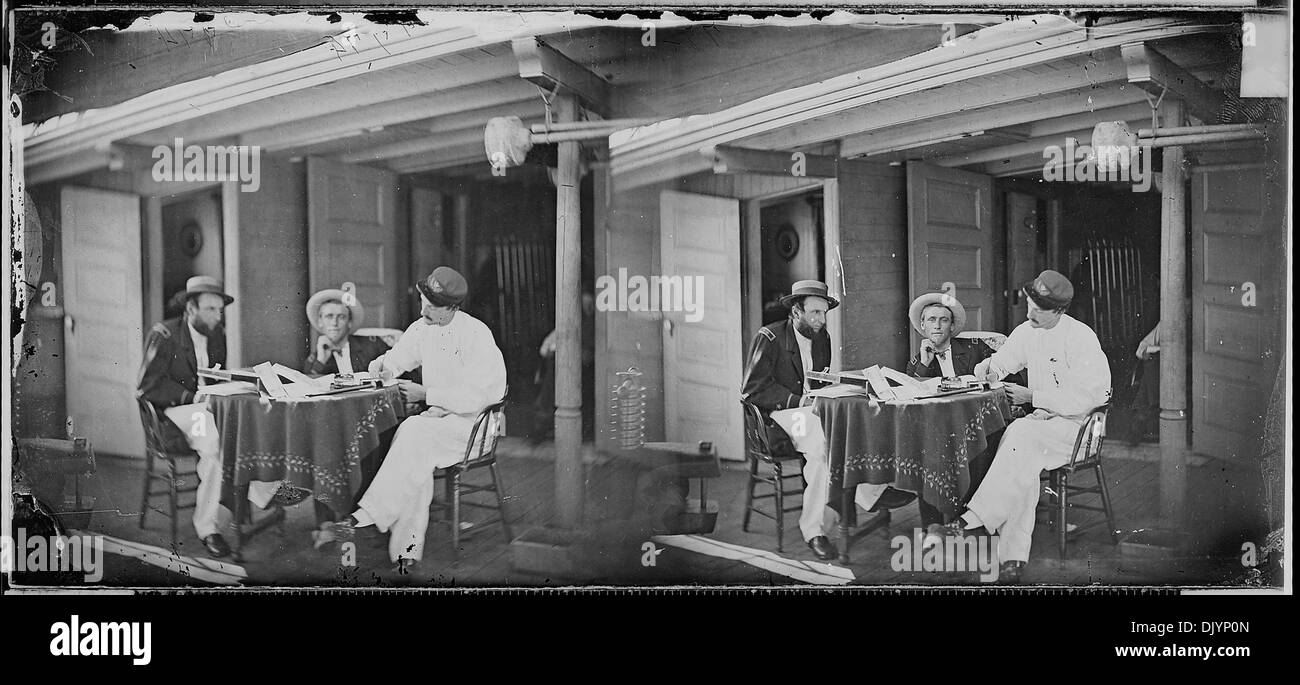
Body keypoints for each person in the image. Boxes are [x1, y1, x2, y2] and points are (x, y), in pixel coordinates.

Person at [331, 267, 507, 571]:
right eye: (422, 301)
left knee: (413, 433)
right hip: (437, 424)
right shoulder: (421, 328)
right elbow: (396, 360)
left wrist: (426, 394)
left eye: (432, 305)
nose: (423, 310)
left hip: (473, 428)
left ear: (453, 307)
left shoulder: (477, 335)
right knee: (416, 461)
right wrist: (378, 369)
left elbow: (483, 398)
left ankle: (371, 513)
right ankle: (406, 554)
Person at [942, 270, 1111, 583]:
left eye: (1040, 309)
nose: (1030, 313)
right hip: (1042, 425)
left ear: (1060, 311)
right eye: (1029, 305)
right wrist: (989, 371)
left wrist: (1033, 395)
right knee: (1024, 455)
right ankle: (1013, 559)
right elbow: (1004, 360)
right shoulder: (1027, 330)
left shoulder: (1081, 338)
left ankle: (978, 518)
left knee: (1021, 437)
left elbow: (1093, 396)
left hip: (1079, 429)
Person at [741, 279, 914, 561]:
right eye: (815, 313)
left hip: (812, 412)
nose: (822, 320)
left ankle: (861, 497)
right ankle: (830, 520)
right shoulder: (769, 338)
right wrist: (800, 401)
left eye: (824, 313)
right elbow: (752, 389)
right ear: (796, 312)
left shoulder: (822, 338)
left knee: (848, 425)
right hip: (779, 418)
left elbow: (820, 382)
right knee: (827, 440)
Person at [137, 276, 282, 558]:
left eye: (219, 310)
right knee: (218, 439)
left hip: (205, 410)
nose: (218, 316)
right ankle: (209, 528)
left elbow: (216, 378)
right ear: (191, 309)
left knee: (243, 425)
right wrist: (192, 397)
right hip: (172, 415)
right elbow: (147, 387)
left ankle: (261, 492)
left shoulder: (217, 335)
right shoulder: (164, 335)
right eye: (211, 309)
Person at [302, 289, 390, 377]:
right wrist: (321, 361)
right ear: (320, 321)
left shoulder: (373, 346)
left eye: (341, 317)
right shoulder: (314, 360)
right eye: (329, 316)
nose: (334, 323)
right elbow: (308, 385)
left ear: (349, 322)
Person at [905, 292, 990, 378]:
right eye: (932, 320)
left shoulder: (976, 348)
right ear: (923, 325)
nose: (937, 326)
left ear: (952, 325)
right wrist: (924, 364)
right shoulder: (915, 366)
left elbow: (999, 370)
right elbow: (914, 389)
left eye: (944, 320)